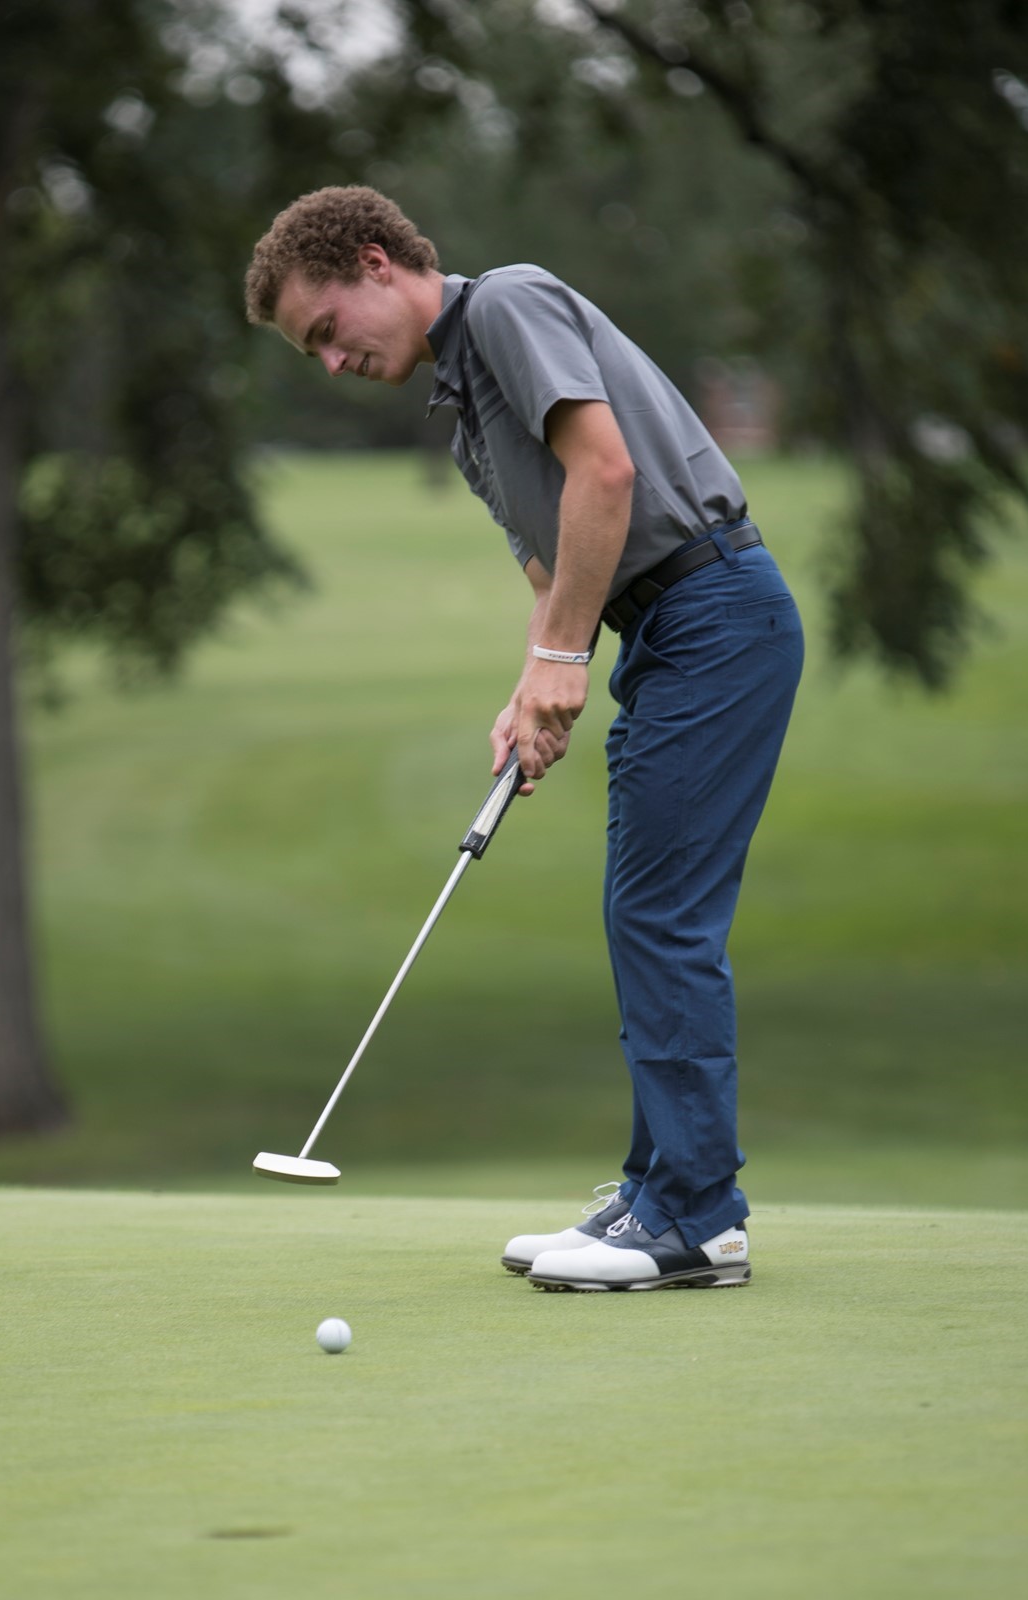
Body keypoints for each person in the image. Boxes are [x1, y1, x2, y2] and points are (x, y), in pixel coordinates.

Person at [245, 185, 804, 1293]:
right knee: (641, 910)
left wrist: (560, 661)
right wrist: (532, 682)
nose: (330, 362)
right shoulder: (462, 410)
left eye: (325, 332)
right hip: (665, 630)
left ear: (373, 264)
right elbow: (557, 571)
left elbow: (606, 474)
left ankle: (694, 1216)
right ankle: (656, 1188)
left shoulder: (504, 306)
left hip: (714, 612)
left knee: (658, 914)